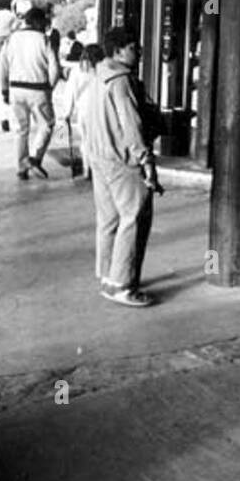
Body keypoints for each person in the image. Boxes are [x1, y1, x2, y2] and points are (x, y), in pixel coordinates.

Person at [83, 28, 166, 307]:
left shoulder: (98, 76)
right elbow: (131, 125)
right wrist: (146, 160)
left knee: (108, 220)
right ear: (118, 51)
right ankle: (122, 285)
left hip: (100, 156)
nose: (138, 51)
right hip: (122, 159)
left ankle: (108, 274)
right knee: (134, 217)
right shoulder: (122, 81)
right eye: (133, 46)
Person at [0, 6, 61, 180]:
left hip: (16, 89)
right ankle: (35, 157)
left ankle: (21, 167)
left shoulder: (11, 39)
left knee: (20, 130)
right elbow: (54, 68)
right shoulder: (44, 40)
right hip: (39, 89)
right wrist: (51, 86)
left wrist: (4, 88)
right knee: (47, 125)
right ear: (39, 21)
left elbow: (3, 67)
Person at [56, 42, 102, 180]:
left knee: (86, 142)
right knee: (100, 141)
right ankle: (98, 169)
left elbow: (69, 94)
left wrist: (66, 114)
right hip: (101, 110)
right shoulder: (102, 69)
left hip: (85, 111)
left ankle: (88, 170)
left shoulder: (77, 70)